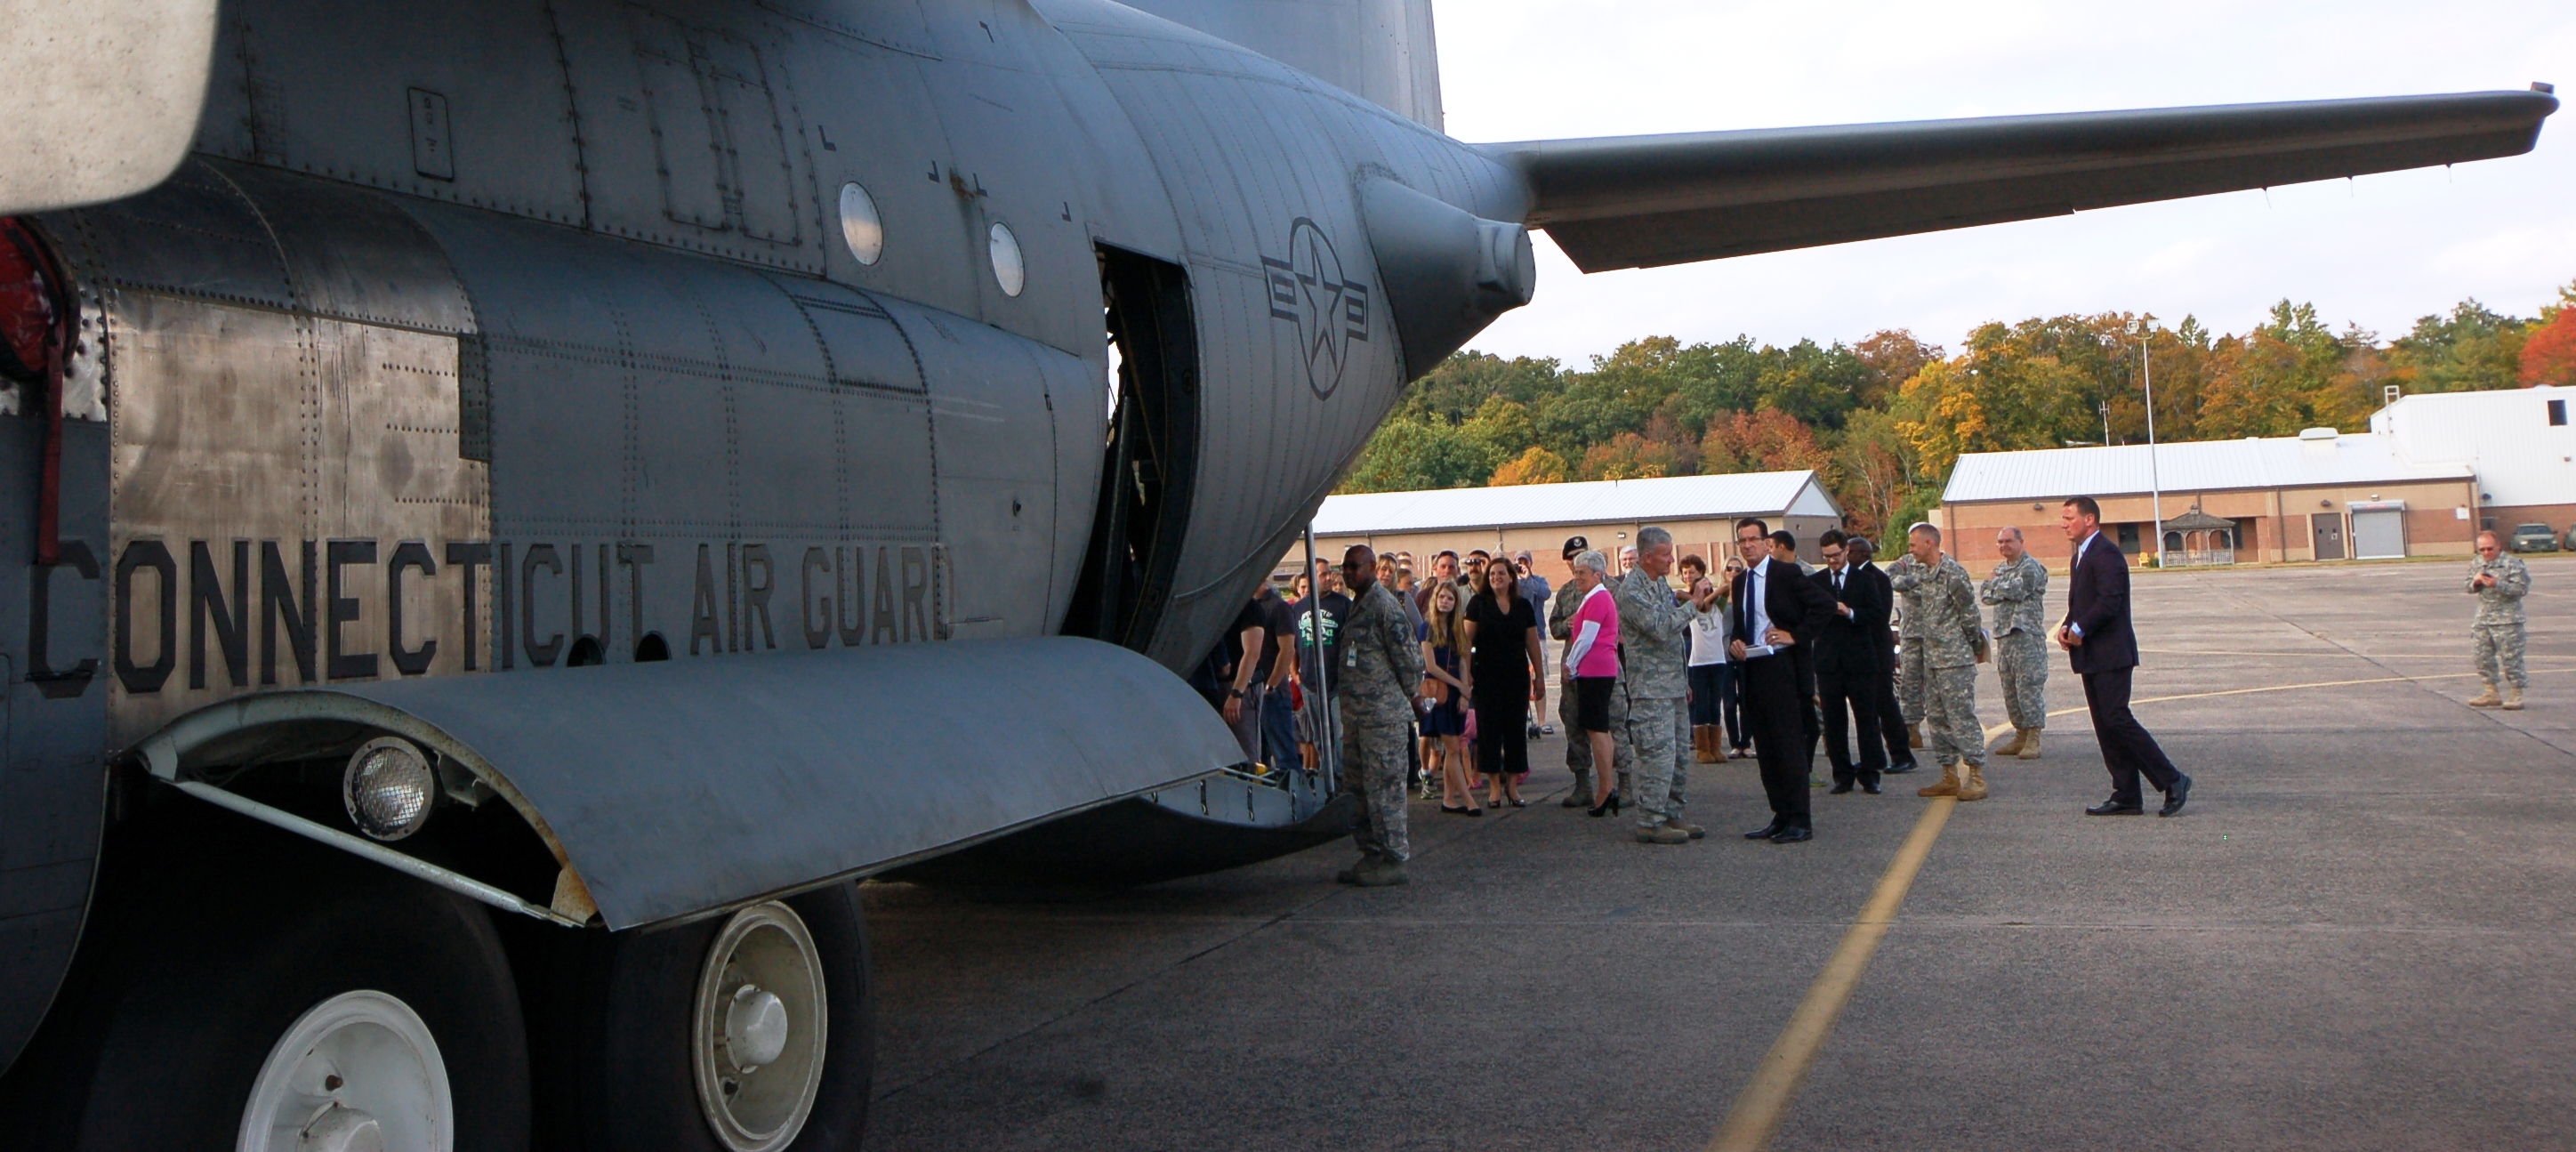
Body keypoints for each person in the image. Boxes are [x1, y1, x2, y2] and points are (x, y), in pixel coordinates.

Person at [2057, 496, 2194, 818]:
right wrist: (2068, 626)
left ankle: (2173, 779)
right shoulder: (2081, 555)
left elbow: (2109, 602)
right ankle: (2126, 794)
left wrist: (2080, 628)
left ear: (2090, 520)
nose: (2064, 524)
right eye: (2063, 518)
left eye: (2069, 518)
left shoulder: (2106, 554)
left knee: (2117, 719)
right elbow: (2082, 602)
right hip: (2091, 654)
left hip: (2111, 654)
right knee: (2105, 725)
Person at [1731, 518, 1835, 842]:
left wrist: (1795, 636)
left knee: (1789, 748)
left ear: (1766, 543)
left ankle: (1800, 820)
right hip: (1752, 670)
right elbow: (1742, 623)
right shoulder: (1740, 581)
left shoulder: (1786, 574)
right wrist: (1735, 642)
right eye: (1742, 541)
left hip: (1784, 672)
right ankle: (1780, 814)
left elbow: (1825, 606)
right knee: (1766, 749)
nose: (1748, 545)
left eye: (1753, 539)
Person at [1614, 526, 1717, 844]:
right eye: (1665, 555)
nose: (1671, 560)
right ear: (1647, 557)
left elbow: (1673, 639)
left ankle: (1672, 813)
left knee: (1677, 757)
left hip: (1671, 685)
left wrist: (1684, 681)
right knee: (1657, 756)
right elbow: (1660, 628)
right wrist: (1694, 605)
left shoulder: (1659, 585)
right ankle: (1650, 819)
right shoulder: (1632, 591)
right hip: (1650, 690)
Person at [1335, 544, 1426, 886]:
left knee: (1384, 790)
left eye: (1355, 566)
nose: (1348, 573)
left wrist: (1413, 695)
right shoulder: (1358, 604)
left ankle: (1394, 858)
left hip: (1382, 719)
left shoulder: (1384, 605)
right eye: (1344, 567)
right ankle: (1372, 853)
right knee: (1358, 791)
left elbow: (1410, 658)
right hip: (1357, 717)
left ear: (1373, 567)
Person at [1902, 525, 1991, 802]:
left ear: (1929, 543)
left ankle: (1976, 775)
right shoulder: (1924, 573)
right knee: (1938, 718)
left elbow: (1969, 614)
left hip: (1955, 660)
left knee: (1961, 716)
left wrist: (1974, 647)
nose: (1911, 550)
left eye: (1914, 545)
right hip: (1933, 658)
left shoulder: (1953, 573)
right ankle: (1948, 775)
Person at [1812, 530, 1890, 794]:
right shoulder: (1817, 581)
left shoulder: (1865, 580)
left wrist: (1851, 612)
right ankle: (1842, 776)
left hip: (1859, 660)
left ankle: (1870, 774)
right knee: (1834, 723)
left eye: (1835, 555)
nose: (1832, 561)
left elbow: (1877, 615)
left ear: (1846, 550)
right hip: (1828, 662)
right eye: (1826, 557)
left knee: (1866, 719)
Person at [1466, 557, 1546, 807]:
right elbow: (1466, 642)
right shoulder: (1478, 604)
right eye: (1492, 574)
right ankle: (1493, 788)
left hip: (1516, 676)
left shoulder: (1522, 606)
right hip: (1486, 676)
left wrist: (1539, 677)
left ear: (1511, 577)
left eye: (1501, 573)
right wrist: (1466, 673)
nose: (1496, 577)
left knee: (1515, 731)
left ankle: (1512, 786)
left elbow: (1532, 643)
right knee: (1488, 732)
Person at [1549, 535, 1612, 807]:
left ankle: (1619, 785)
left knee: (1610, 726)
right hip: (1575, 670)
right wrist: (1568, 625)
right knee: (1575, 724)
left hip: (1599, 667)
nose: (1577, 565)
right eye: (1573, 560)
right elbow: (1555, 627)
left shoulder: (1607, 589)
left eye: (1583, 557)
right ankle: (1583, 784)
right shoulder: (1566, 591)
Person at [1562, 549, 1624, 816]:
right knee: (1600, 728)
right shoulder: (1592, 597)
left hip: (1596, 670)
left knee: (1596, 729)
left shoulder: (1599, 597)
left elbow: (1586, 637)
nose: (1577, 577)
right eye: (1576, 572)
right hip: (1597, 670)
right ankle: (1607, 786)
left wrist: (1570, 663)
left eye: (1582, 573)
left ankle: (1605, 788)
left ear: (1597, 574)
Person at [1981, 527, 2051, 758]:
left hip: (2026, 636)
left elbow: (2020, 590)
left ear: (2021, 541)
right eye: (2000, 542)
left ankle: (2033, 738)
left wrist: (1996, 585)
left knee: (2028, 687)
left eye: (2008, 541)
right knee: (2010, 689)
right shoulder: (2001, 569)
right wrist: (1998, 586)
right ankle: (2019, 734)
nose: (2003, 546)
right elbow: (1985, 594)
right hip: (2005, 637)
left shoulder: (2031, 567)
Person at [1420, 582, 1477, 815]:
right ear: (1435, 599)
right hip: (1439, 691)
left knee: (1453, 745)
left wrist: (1464, 692)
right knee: (1453, 748)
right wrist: (1460, 686)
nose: (1445, 601)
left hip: (1456, 690)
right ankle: (1468, 800)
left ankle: (1449, 799)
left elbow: (1463, 660)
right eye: (1442, 597)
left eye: (1450, 598)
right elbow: (1431, 666)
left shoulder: (1457, 630)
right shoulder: (1427, 628)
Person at [1770, 530, 1824, 772]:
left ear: (1782, 547)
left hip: (1806, 650)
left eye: (1770, 545)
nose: (1768, 550)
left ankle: (1809, 763)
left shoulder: (1805, 573)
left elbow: (1821, 609)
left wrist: (1797, 635)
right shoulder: (1770, 574)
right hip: (1781, 655)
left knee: (1812, 711)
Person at [1292, 568, 1353, 770]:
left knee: (1342, 736)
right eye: (1323, 574)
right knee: (1319, 737)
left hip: (1339, 683)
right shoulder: (1299, 608)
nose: (1329, 578)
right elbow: (1292, 645)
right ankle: (1328, 779)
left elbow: (1355, 643)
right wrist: (1296, 676)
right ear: (1310, 578)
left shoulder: (1343, 604)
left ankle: (1342, 779)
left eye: (1329, 573)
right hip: (1310, 684)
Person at [2467, 530, 2532, 709]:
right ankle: (2490, 692)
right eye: (2482, 549)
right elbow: (2467, 586)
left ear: (2498, 546)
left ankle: (2516, 693)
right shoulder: (2477, 563)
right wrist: (2476, 583)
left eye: (2490, 548)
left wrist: (2498, 584)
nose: (2486, 553)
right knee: (2481, 656)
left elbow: (2521, 589)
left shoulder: (2512, 564)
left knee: (2511, 659)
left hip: (2508, 620)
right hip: (2484, 618)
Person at [1680, 554, 1732, 764]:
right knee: (1701, 703)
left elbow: (1726, 588)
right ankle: (1703, 748)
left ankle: (1715, 747)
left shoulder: (1718, 609)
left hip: (1718, 661)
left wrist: (1707, 595)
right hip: (1698, 663)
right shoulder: (1690, 610)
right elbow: (1678, 593)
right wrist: (1697, 597)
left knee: (1714, 704)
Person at [1887, 534, 1931, 754]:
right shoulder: (1906, 562)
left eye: (1915, 543)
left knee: (1939, 685)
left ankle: (1946, 734)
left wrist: (1912, 587)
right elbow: (1892, 578)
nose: (1912, 548)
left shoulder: (1942, 564)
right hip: (1911, 634)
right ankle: (1912, 730)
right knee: (1909, 683)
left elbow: (1935, 592)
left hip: (1937, 635)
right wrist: (1917, 581)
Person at [1220, 589, 1270, 768]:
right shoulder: (1219, 606)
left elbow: (1252, 653)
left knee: (1247, 756)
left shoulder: (1249, 607)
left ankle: (1253, 791)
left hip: (1242, 688)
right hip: (1218, 685)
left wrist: (1237, 693)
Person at [1258, 577, 1301, 774]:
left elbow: (1287, 650)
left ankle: (1296, 797)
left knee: (1284, 757)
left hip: (1273, 693)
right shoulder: (1247, 607)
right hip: (1252, 692)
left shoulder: (1278, 607)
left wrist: (1271, 685)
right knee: (1261, 758)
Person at [1721, 556, 1752, 756]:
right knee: (1730, 702)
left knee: (1746, 700)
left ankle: (1746, 743)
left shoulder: (1748, 594)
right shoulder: (1720, 598)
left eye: (1738, 569)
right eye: (1729, 569)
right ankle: (1734, 743)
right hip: (1724, 655)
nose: (1733, 572)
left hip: (1745, 653)